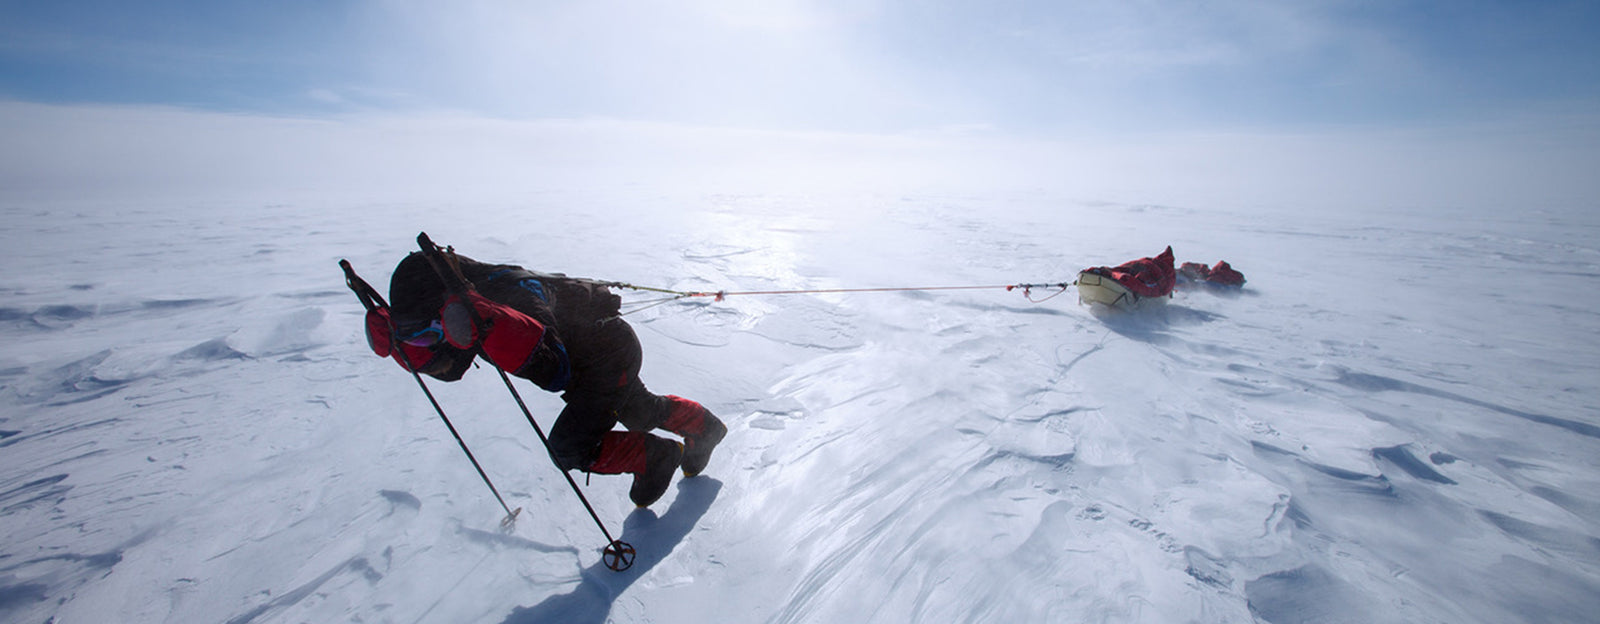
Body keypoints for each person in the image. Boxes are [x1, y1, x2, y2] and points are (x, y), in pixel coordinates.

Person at [379, 250, 726, 508]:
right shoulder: (465, 307)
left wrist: (497, 329)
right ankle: (703, 427)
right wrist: (416, 349)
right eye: (417, 338)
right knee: (639, 411)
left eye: (428, 334)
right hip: (600, 355)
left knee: (569, 447)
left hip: (605, 358)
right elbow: (452, 361)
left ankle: (656, 456)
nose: (429, 342)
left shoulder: (504, 302)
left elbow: (554, 370)